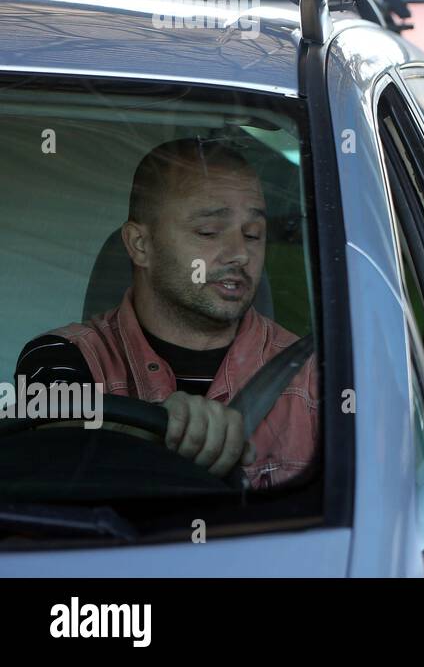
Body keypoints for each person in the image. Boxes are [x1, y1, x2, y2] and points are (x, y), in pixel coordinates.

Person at [17, 138, 317, 489]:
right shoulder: (59, 357)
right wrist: (154, 428)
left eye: (253, 234)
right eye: (208, 231)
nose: (240, 253)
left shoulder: (317, 375)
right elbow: (59, 446)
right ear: (140, 246)